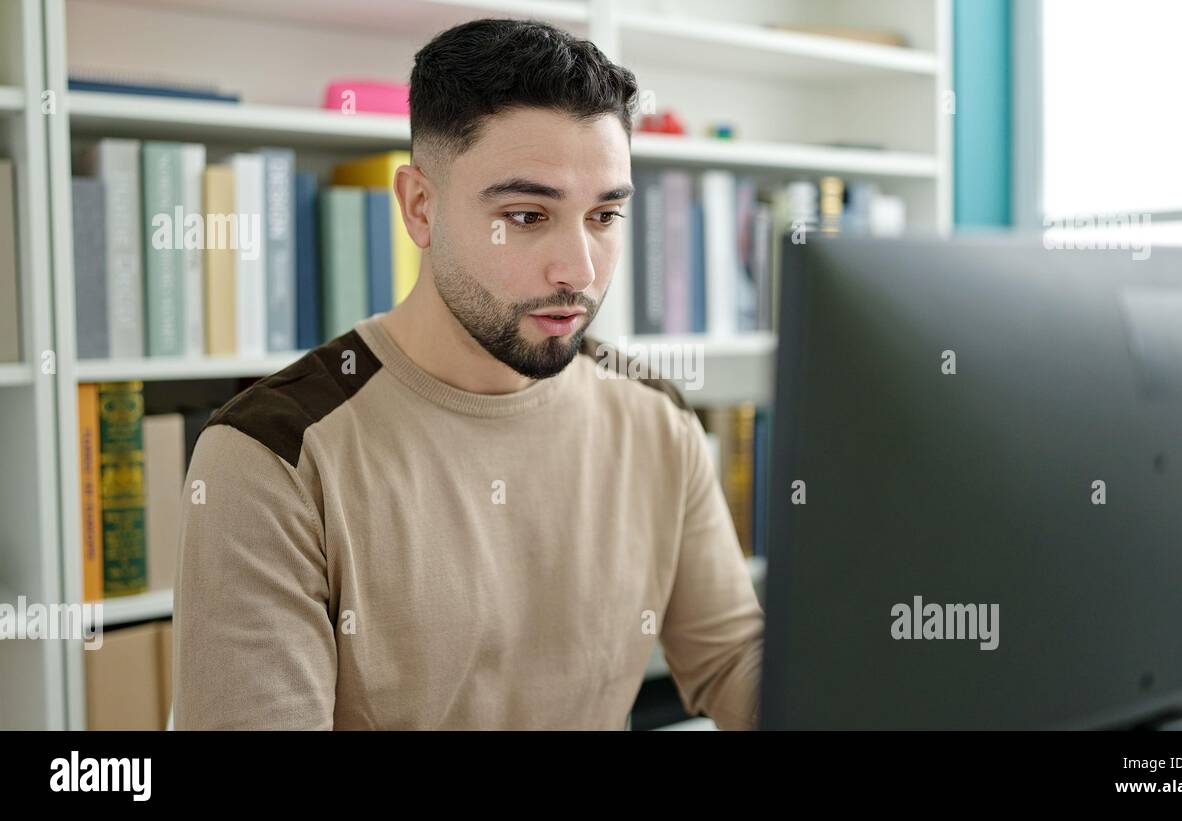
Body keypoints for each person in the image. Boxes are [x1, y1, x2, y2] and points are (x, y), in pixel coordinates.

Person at [173, 18, 763, 729]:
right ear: (420, 207)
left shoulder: (655, 417)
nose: (578, 271)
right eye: (525, 215)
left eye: (604, 215)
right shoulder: (271, 455)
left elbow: (734, 660)